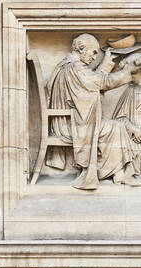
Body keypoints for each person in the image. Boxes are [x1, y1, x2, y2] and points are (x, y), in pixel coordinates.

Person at [47, 34, 141, 189]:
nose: (94, 56)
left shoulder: (67, 65)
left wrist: (106, 63)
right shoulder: (75, 67)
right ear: (81, 48)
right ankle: (120, 174)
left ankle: (119, 174)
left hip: (68, 122)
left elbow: (92, 82)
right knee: (117, 127)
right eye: (94, 52)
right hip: (72, 126)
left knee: (113, 125)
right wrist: (129, 72)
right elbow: (102, 82)